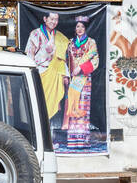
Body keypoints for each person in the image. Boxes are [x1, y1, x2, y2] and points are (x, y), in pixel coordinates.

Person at [62, 16, 100, 150]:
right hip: (73, 79)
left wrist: (81, 68)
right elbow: (66, 61)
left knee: (83, 107)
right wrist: (67, 74)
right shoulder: (70, 43)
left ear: (85, 28)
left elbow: (95, 61)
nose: (79, 29)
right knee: (73, 104)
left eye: (82, 27)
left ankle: (82, 140)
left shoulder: (91, 43)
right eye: (77, 27)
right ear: (75, 28)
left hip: (84, 79)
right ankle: (72, 140)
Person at [25, 10, 69, 121]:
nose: (54, 22)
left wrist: (65, 74)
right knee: (40, 103)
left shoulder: (59, 37)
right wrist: (32, 73)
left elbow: (62, 59)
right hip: (40, 74)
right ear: (45, 19)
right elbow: (29, 55)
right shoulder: (36, 34)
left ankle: (51, 129)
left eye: (56, 19)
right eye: (52, 19)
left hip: (55, 74)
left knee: (54, 103)